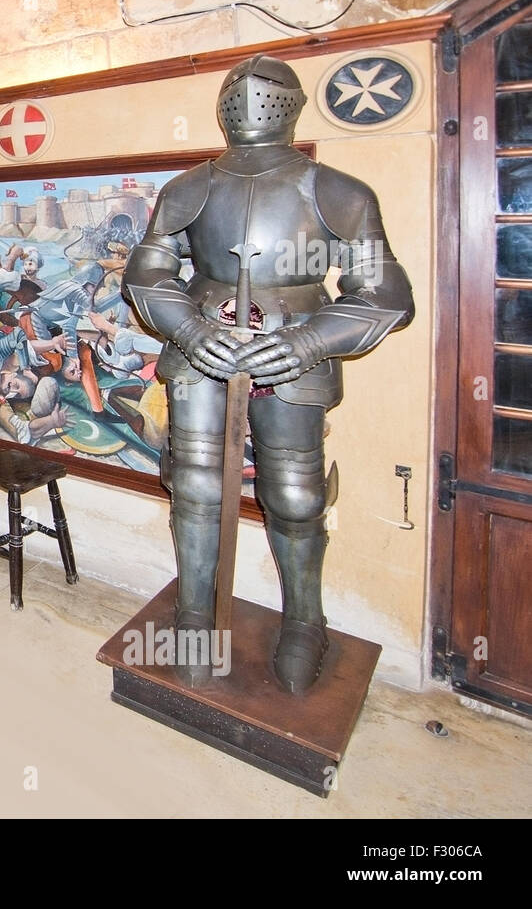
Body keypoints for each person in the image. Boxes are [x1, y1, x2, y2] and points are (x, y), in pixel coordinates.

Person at [121, 54, 415, 693]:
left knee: (295, 495)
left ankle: (305, 622)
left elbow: (386, 295)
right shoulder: (187, 188)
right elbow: (146, 276)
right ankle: (195, 613)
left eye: (263, 93)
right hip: (201, 342)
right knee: (196, 484)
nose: (249, 101)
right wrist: (194, 329)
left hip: (294, 345)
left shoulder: (335, 189)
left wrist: (310, 340)